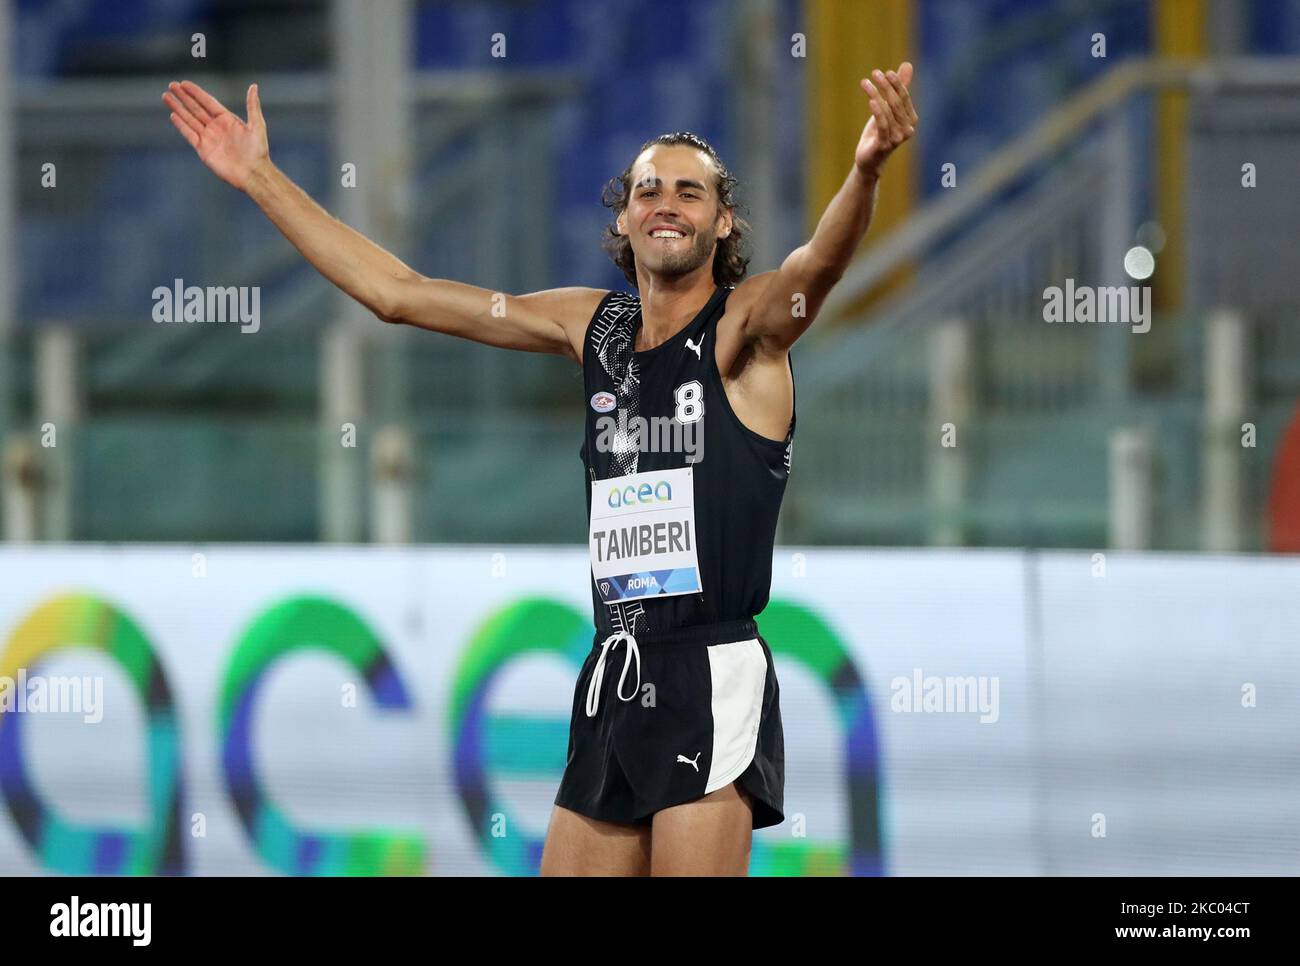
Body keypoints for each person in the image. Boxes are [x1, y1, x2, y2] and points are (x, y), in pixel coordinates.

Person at [162, 62, 917, 876]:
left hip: (709, 672)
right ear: (623, 219)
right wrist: (261, 179)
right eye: (647, 189)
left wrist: (866, 170)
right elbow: (399, 294)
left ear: (724, 224)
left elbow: (816, 272)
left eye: (690, 192)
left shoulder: (743, 335)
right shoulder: (590, 326)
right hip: (613, 675)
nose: (666, 201)